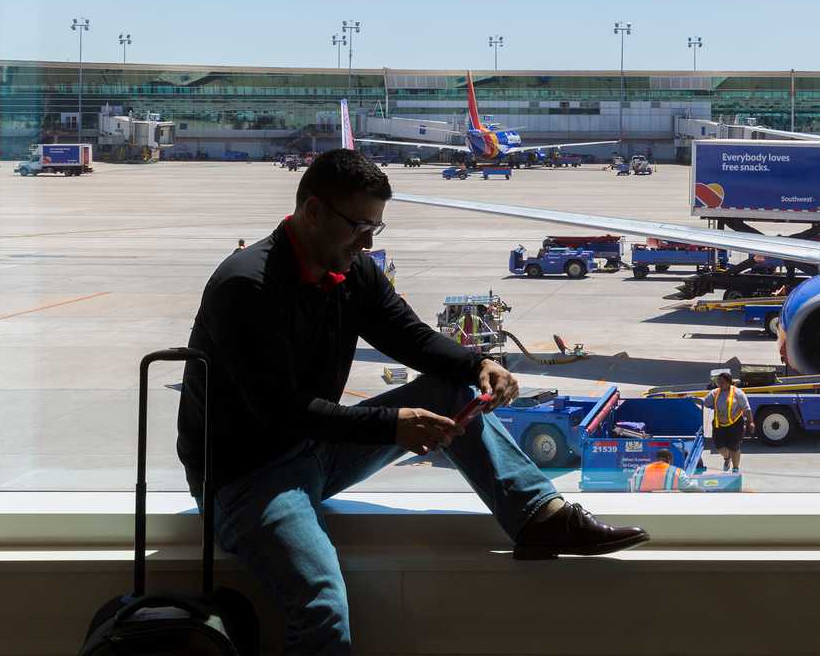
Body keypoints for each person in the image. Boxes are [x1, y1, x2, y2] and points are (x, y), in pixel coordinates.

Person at [176, 149, 647, 655]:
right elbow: (279, 412)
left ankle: (540, 518)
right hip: (248, 476)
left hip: (315, 451)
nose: (366, 241)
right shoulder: (247, 286)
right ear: (312, 212)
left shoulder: (350, 273)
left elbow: (410, 337)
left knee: (453, 389)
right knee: (321, 607)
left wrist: (476, 366)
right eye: (359, 226)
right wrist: (392, 425)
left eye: (374, 230)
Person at [698, 369, 751, 472]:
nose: (719, 385)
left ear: (728, 382)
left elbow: (746, 408)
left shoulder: (738, 393)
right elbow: (705, 402)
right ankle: (727, 458)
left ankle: (735, 469)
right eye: (718, 382)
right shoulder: (715, 393)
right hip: (719, 425)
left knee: (734, 448)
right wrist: (692, 399)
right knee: (719, 447)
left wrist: (751, 422)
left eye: (722, 382)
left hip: (735, 424)